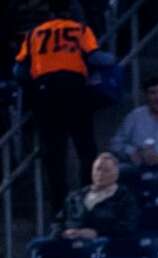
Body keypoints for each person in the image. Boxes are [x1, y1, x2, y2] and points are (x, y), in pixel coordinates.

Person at [14, 11, 107, 202]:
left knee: (53, 155)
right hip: (75, 91)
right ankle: (87, 197)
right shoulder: (81, 29)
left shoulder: (34, 33)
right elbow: (96, 58)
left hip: (45, 95)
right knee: (86, 148)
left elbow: (19, 71)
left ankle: (59, 208)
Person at [57, 153, 139, 244]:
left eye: (106, 170)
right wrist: (63, 233)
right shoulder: (75, 196)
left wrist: (97, 232)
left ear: (116, 173)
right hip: (69, 245)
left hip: (105, 246)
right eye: (98, 169)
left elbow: (128, 227)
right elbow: (57, 222)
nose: (100, 174)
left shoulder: (124, 197)